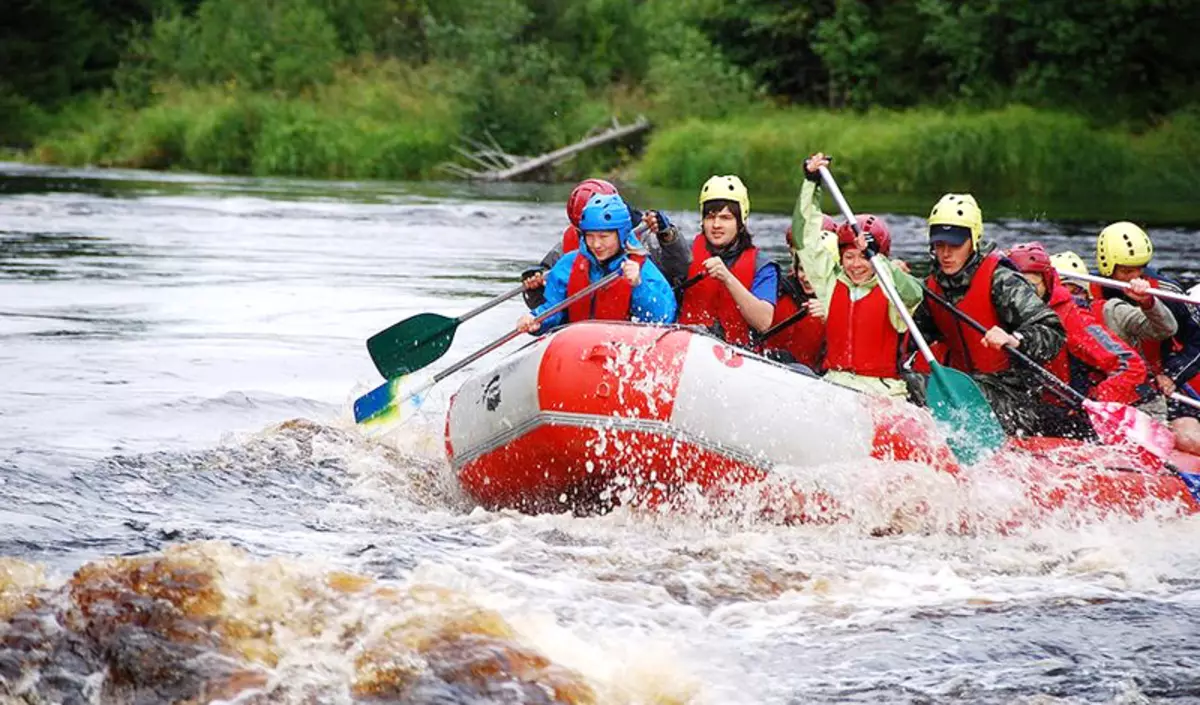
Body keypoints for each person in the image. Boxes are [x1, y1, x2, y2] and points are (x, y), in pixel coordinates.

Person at [912, 193, 1066, 436]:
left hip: (1012, 400)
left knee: (923, 387)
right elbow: (908, 337)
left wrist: (1015, 339)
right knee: (903, 384)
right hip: (963, 387)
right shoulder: (932, 287)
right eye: (939, 245)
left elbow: (1053, 332)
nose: (945, 254)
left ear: (973, 241)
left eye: (954, 245)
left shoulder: (1001, 281)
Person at [786, 152, 924, 398]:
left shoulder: (892, 289)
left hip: (882, 393)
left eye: (863, 257)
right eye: (849, 257)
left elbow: (914, 294)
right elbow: (804, 237)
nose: (856, 265)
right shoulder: (831, 283)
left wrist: (879, 259)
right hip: (835, 384)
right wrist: (811, 183)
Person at [1007, 242, 1164, 438]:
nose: (1023, 294)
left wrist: (1095, 402)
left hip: (1122, 408)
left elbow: (1131, 366)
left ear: (1046, 282)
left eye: (1030, 285)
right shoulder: (1005, 311)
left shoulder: (1072, 319)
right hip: (1053, 406)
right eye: (1016, 285)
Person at [1091, 221, 1200, 453]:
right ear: (1107, 266)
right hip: (1107, 381)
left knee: (1188, 439)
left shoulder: (1165, 291)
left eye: (1140, 268)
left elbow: (1197, 340)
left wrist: (1172, 375)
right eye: (1126, 271)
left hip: (1159, 382)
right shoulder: (1088, 286)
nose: (1135, 277)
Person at [516, 194, 675, 334]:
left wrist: (638, 285)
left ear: (621, 234)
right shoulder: (568, 265)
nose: (596, 244)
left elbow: (662, 319)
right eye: (590, 236)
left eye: (603, 236)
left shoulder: (644, 270)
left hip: (622, 350)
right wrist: (535, 318)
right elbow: (553, 308)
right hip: (577, 348)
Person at [522, 179, 689, 308]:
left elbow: (680, 271)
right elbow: (546, 306)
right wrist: (535, 287)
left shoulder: (643, 241)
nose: (595, 244)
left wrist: (668, 236)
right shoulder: (566, 252)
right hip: (580, 331)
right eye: (587, 233)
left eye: (603, 234)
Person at [677, 175, 779, 348]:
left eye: (726, 218)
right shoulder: (685, 254)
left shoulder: (762, 266)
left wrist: (728, 278)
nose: (716, 224)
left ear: (740, 221)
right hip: (688, 349)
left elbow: (764, 321)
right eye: (710, 217)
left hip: (738, 358)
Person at [761, 222, 837, 371]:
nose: (807, 278)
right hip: (765, 367)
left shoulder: (845, 301)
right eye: (803, 269)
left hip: (810, 380)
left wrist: (832, 316)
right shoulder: (778, 288)